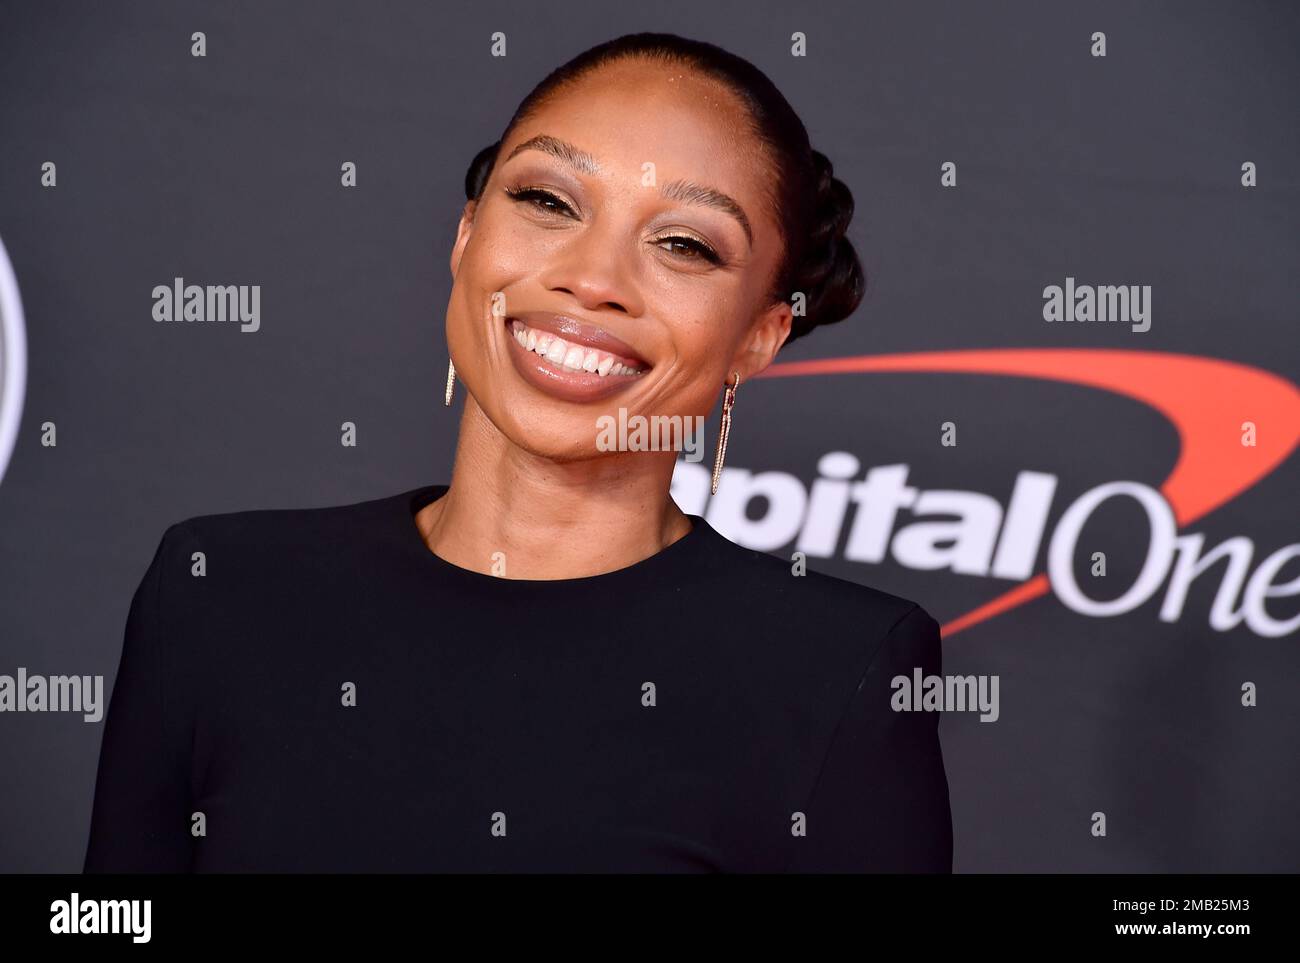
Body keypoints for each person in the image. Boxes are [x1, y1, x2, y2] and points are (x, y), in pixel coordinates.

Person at [84, 32, 952, 873]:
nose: (594, 279)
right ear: (466, 237)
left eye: (683, 244)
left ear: (760, 336)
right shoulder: (214, 590)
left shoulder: (841, 672)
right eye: (548, 201)